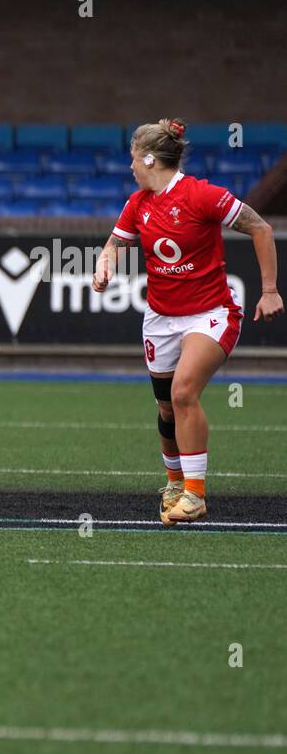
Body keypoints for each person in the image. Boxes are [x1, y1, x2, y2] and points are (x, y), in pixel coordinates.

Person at [92, 117, 281, 525]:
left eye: (132, 160)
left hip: (212, 313)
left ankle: (195, 495)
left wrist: (268, 290)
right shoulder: (137, 203)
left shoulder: (203, 196)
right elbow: (113, 245)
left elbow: (261, 228)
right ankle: (175, 483)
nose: (130, 168)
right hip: (161, 319)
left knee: (182, 393)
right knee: (165, 408)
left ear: (149, 158)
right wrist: (103, 266)